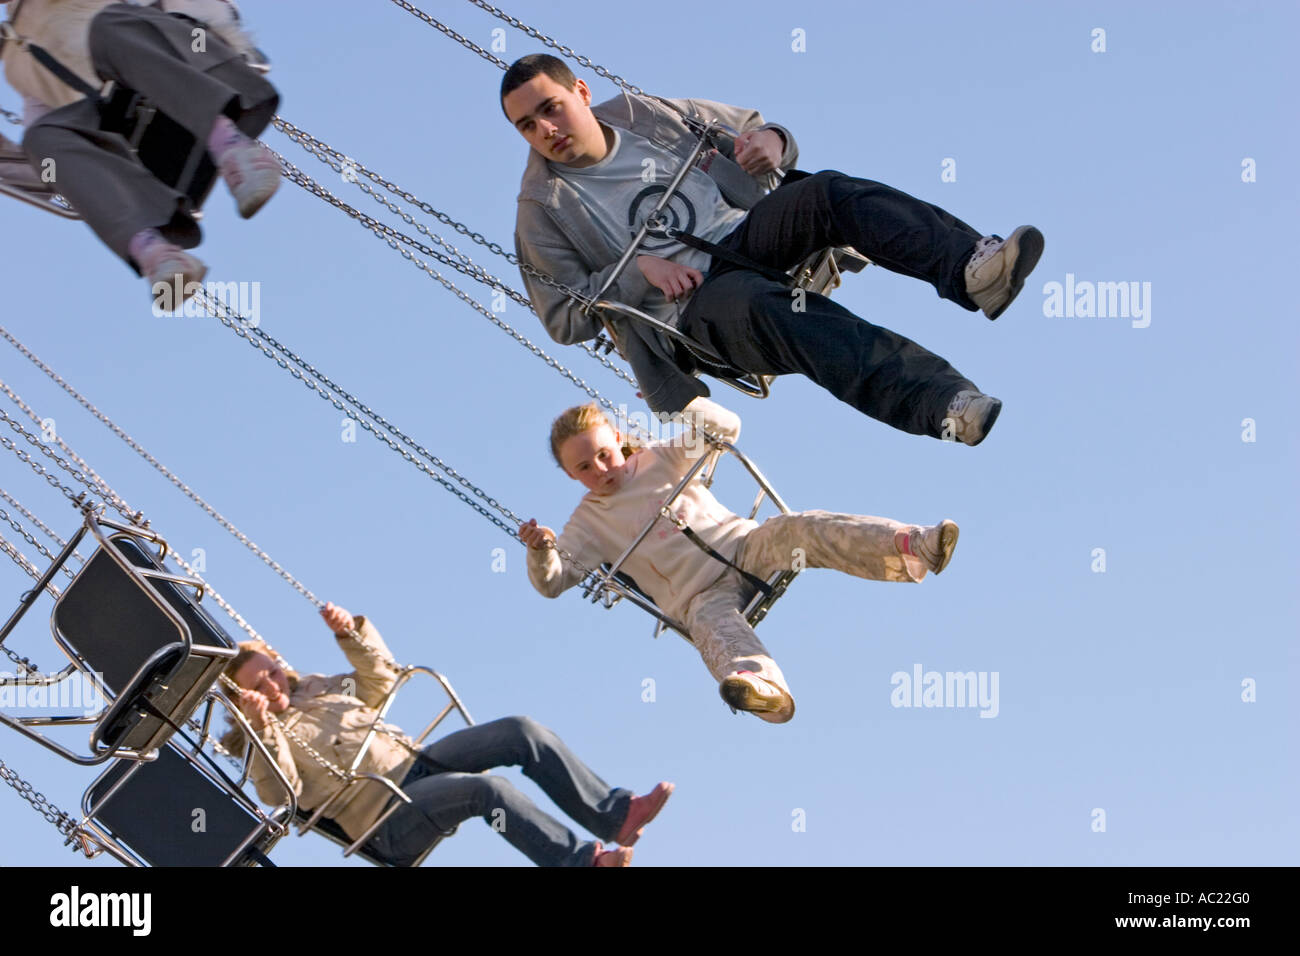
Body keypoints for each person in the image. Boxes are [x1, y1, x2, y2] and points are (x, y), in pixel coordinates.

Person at [502, 53, 1046, 446]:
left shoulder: (643, 115)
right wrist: (639, 271)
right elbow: (562, 316)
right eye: (527, 125)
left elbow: (750, 128)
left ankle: (974, 271)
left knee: (824, 192)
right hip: (697, 309)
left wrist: (772, 142)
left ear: (581, 93)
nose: (546, 129)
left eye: (551, 107)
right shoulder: (542, 208)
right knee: (777, 310)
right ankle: (942, 403)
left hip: (743, 235)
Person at [519, 397, 960, 723]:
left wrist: (677, 401)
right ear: (570, 476)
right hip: (699, 595)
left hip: (743, 547)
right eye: (584, 468)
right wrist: (540, 551)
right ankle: (761, 686)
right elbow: (553, 582)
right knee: (714, 631)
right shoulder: (588, 523)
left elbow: (726, 425)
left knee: (801, 528)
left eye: (603, 454)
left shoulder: (661, 458)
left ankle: (914, 546)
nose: (601, 470)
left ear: (618, 438)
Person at [224, 601, 673, 867]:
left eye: (271, 673)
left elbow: (380, 680)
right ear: (243, 697)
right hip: (388, 818)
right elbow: (282, 795)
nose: (271, 686)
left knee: (521, 731)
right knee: (486, 790)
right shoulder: (257, 740)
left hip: (417, 761)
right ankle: (582, 862)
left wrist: (351, 634)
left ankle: (616, 814)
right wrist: (261, 725)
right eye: (257, 686)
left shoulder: (317, 689)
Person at [1, 1, 280, 299]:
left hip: (180, 66)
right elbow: (49, 161)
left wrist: (219, 38)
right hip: (129, 138)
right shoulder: (15, 61)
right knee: (41, 136)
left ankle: (232, 148)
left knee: (109, 25)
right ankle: (154, 251)